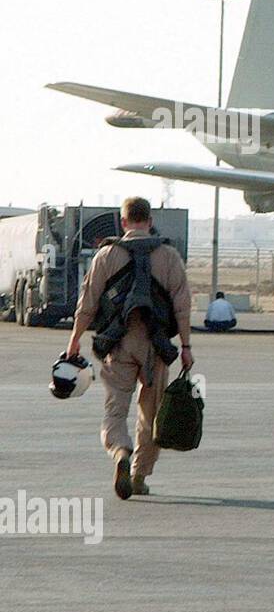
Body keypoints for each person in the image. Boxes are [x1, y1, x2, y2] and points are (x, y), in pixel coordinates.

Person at [66, 196, 193, 500]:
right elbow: (183, 306)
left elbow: (87, 304)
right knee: (151, 415)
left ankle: (120, 450)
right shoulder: (170, 256)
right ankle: (138, 475)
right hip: (157, 346)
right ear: (149, 221)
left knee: (115, 410)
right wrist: (186, 346)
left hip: (118, 345)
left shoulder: (106, 255)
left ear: (123, 222)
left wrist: (74, 341)